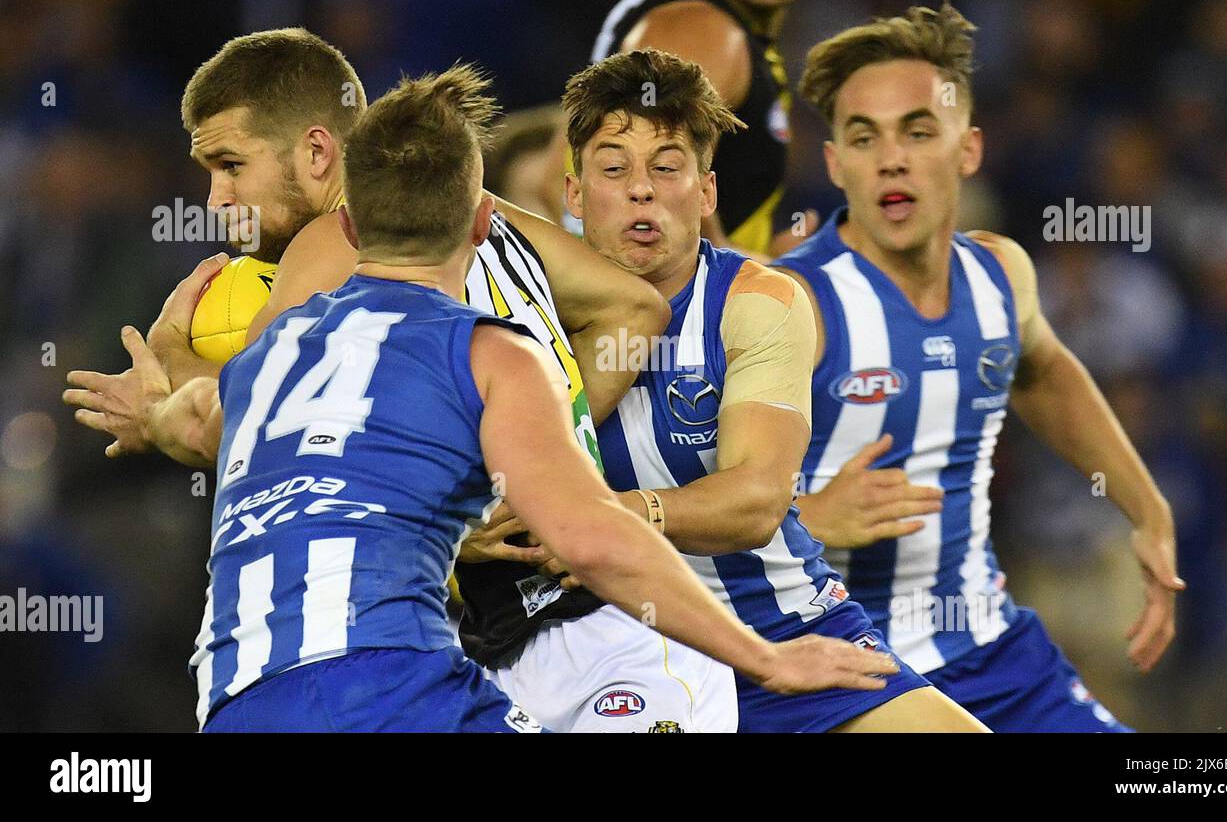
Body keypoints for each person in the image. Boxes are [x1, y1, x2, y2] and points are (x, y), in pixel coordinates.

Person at [74, 69, 896, 732]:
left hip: (239, 694)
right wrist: (766, 658)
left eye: (227, 167)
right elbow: (594, 533)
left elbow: (200, 425)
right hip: (409, 681)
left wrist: (170, 365)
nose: (217, 199)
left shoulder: (269, 360)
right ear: (478, 224)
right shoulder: (486, 352)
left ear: (353, 224)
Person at [533, 46, 987, 732]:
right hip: (608, 656)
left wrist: (608, 520)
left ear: (707, 191)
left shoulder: (757, 302)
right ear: (573, 194)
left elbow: (756, 501)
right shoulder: (522, 317)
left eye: (666, 167)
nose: (640, 190)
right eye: (613, 168)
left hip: (785, 634)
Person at [775, 0, 1183, 731]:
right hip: (839, 670)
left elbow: (1044, 372)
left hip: (993, 652)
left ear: (969, 149)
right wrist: (804, 519)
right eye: (864, 138)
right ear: (835, 163)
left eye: (918, 131)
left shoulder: (1002, 275)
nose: (891, 158)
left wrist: (1148, 512)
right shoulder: (786, 303)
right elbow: (678, 499)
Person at [592, 0, 814, 259]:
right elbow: (654, 206)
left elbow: (543, 182)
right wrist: (780, 276)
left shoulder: (681, 14)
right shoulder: (700, 26)